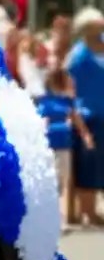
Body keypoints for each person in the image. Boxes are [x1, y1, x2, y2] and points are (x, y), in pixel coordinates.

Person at [39, 66, 94, 228]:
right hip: (49, 144)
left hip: (64, 144)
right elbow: (41, 120)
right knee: (52, 180)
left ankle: (58, 219)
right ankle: (50, 218)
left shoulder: (67, 101)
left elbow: (76, 119)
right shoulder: (46, 100)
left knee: (63, 179)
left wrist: (86, 136)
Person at [66, 6, 104, 226]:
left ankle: (92, 209)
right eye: (98, 24)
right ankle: (87, 211)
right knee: (88, 163)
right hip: (87, 115)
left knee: (99, 163)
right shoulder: (78, 55)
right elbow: (68, 85)